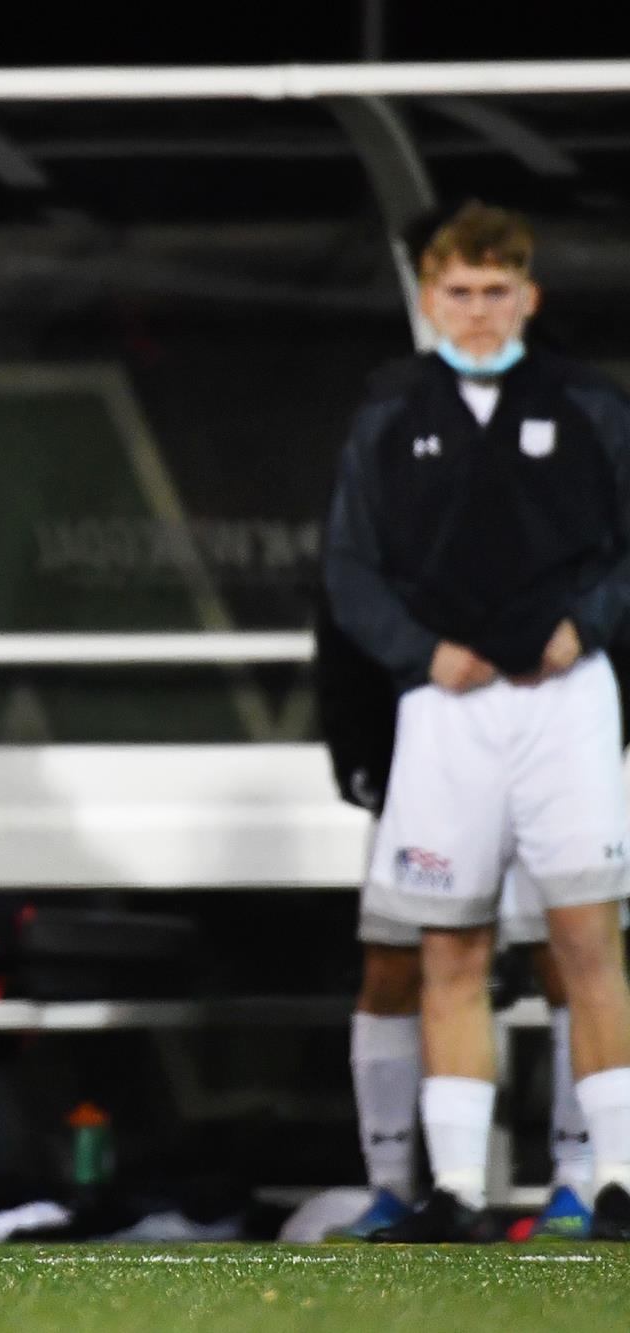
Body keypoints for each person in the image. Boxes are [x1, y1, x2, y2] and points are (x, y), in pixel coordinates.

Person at [323, 200, 630, 1242]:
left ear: (528, 297)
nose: (478, 311)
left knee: (586, 938)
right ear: (429, 298)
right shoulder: (388, 409)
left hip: (565, 699)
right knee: (448, 945)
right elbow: (348, 566)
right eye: (459, 292)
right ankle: (453, 1190)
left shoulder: (588, 402)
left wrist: (585, 624)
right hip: (444, 706)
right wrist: (421, 653)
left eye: (497, 291)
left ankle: (614, 1180)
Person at [318, 597, 599, 1240]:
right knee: (396, 966)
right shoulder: (404, 529)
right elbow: (350, 594)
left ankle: (580, 1186)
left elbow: (609, 583)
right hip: (424, 763)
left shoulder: (562, 533)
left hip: (553, 764)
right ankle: (397, 1190)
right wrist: (360, 754)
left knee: (574, 964)